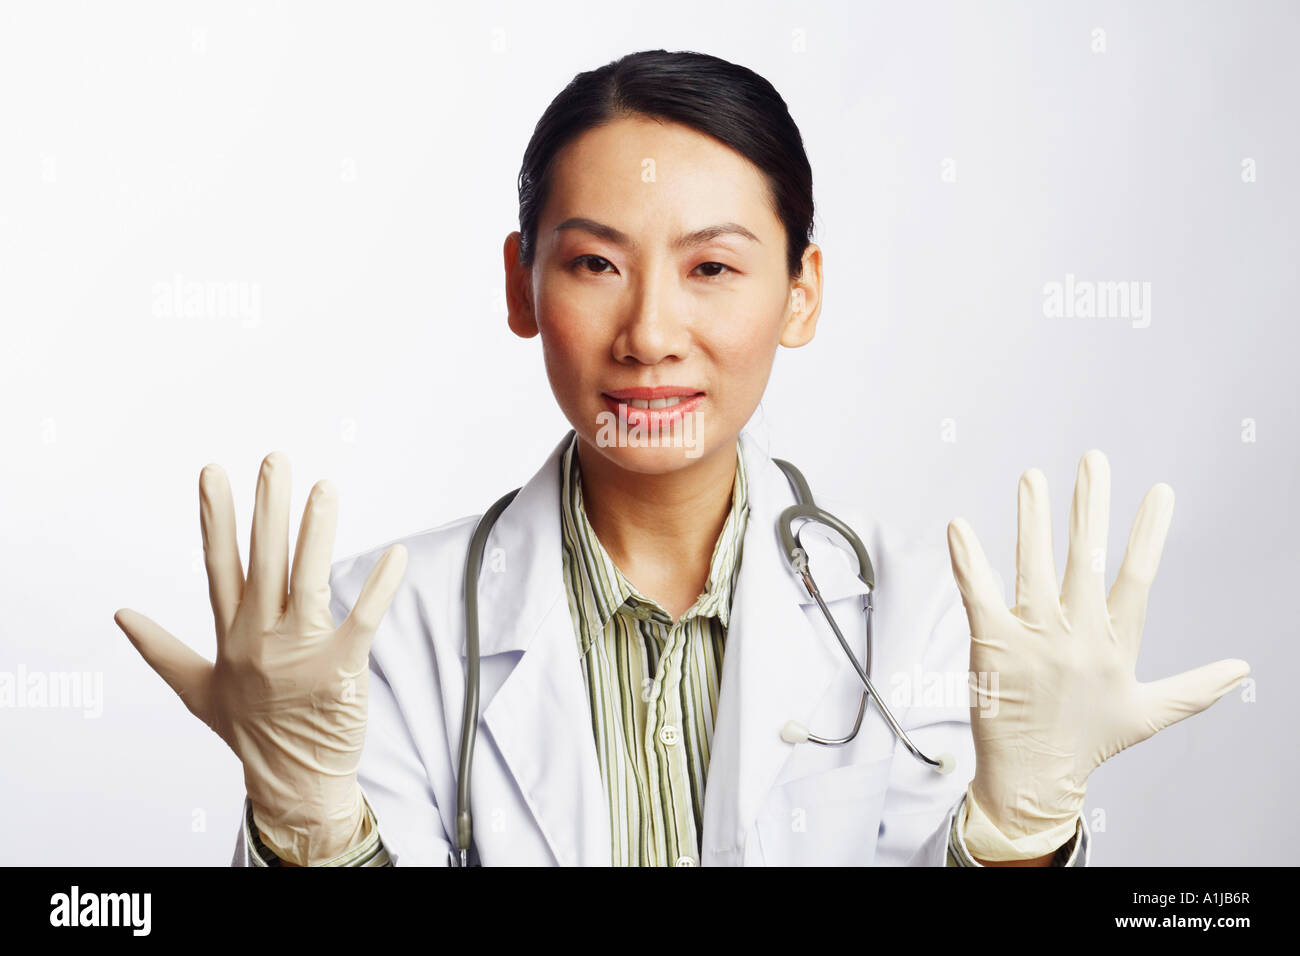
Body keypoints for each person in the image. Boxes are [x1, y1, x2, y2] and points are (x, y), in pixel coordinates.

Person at [113, 49, 1250, 867]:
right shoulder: (370, 625)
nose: (651, 331)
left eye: (712, 268)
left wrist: (1018, 838)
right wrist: (310, 833)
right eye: (596, 263)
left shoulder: (926, 624)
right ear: (523, 283)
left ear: (801, 292)